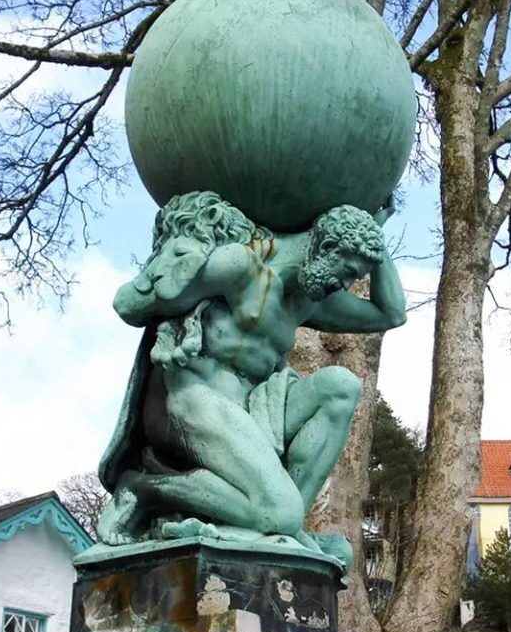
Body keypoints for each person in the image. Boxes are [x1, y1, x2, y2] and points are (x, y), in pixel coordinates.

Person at [97, 191, 406, 556]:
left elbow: (390, 314)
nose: (345, 286)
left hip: (253, 412)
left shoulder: (305, 299)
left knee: (340, 386)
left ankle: (283, 526)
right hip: (191, 402)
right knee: (279, 510)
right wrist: (172, 279)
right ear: (324, 245)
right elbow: (127, 304)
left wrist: (375, 239)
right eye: (348, 273)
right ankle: (146, 490)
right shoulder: (240, 266)